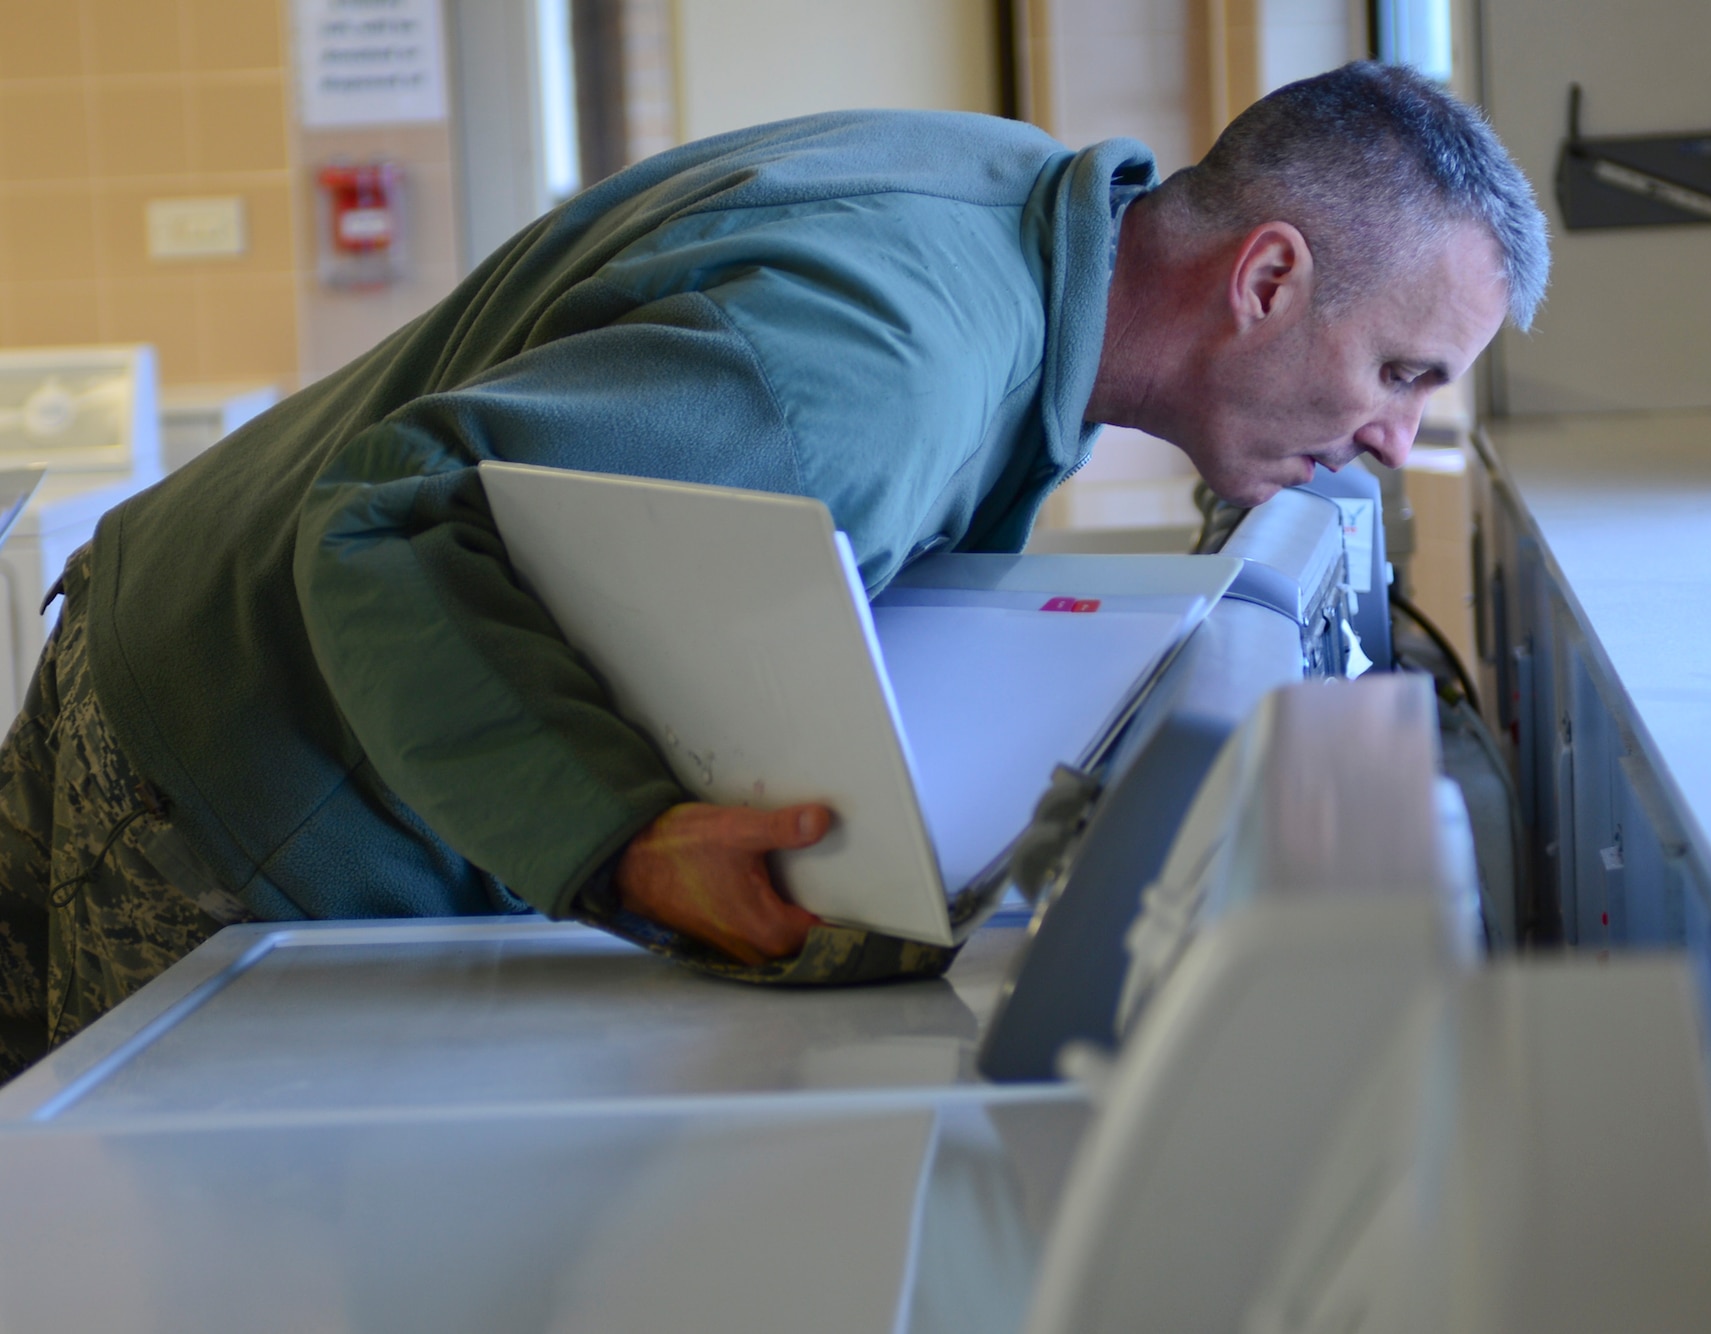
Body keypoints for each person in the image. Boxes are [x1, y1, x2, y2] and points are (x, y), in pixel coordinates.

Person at [0, 61, 1547, 1077]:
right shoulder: (876, 382)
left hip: (174, 634)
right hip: (214, 764)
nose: (1392, 440)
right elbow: (386, 523)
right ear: (1268, 276)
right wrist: (628, 836)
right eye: (1403, 372)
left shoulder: (1022, 205)